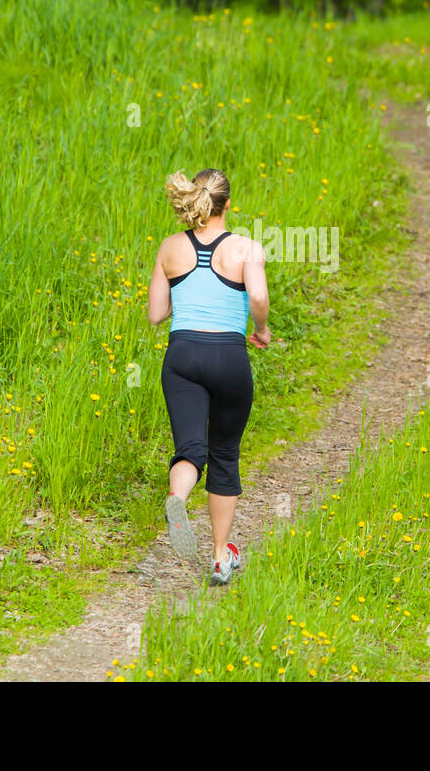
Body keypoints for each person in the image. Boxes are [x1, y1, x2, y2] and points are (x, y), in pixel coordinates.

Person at [147, 168, 270, 585]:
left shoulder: (169, 248)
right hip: (229, 359)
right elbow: (257, 295)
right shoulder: (246, 248)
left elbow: (155, 314)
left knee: (190, 449)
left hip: (183, 356)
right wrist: (262, 329)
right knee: (224, 454)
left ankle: (177, 497)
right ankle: (221, 557)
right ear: (228, 204)